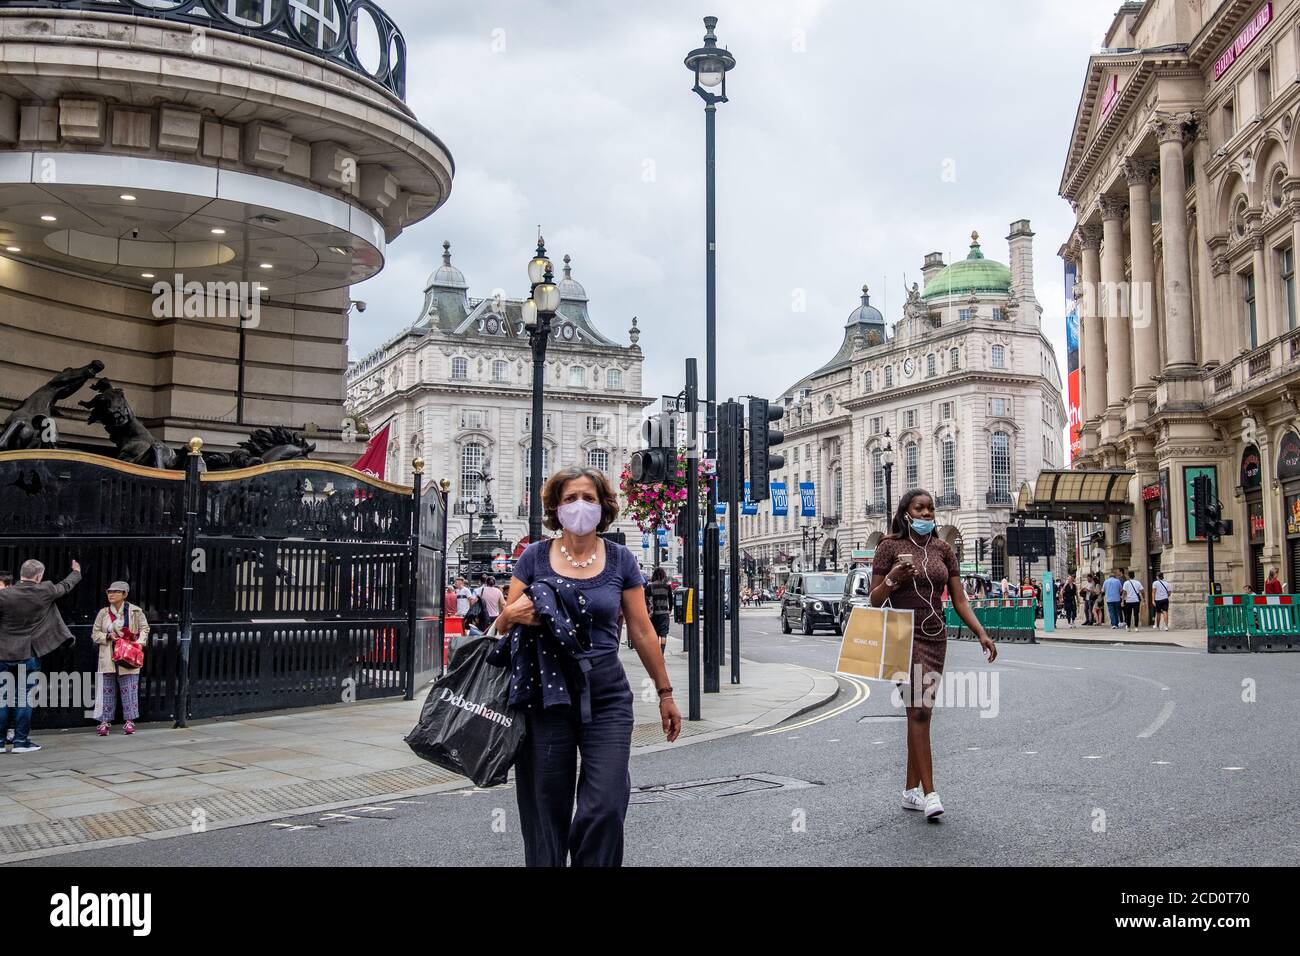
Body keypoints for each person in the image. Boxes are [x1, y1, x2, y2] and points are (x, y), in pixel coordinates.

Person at [496, 466, 681, 866]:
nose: (580, 505)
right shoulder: (533, 558)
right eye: (570, 499)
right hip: (545, 695)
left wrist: (665, 693)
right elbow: (504, 622)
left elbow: (643, 631)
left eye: (589, 498)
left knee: (606, 804)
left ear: (603, 506)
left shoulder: (620, 560)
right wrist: (517, 613)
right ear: (555, 507)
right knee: (546, 807)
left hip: (606, 694)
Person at [870, 489, 996, 822]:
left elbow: (960, 600)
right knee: (920, 712)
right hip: (901, 635)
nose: (927, 514)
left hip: (935, 636)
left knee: (920, 713)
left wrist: (981, 632)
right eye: (920, 509)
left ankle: (910, 790)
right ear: (906, 513)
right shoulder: (889, 547)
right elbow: (874, 599)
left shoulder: (943, 549)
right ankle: (930, 794)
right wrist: (895, 578)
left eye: (930, 509)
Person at [0, 558, 81, 754]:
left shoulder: (4, 595)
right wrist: (76, 572)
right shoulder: (45, 591)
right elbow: (65, 586)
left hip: (2, 653)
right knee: (24, 698)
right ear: (39, 576)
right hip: (28, 653)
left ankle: (0, 742)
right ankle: (20, 742)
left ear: (21, 574)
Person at [91, 581, 149, 735]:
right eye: (109, 591)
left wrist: (139, 642)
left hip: (128, 656)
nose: (111, 594)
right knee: (105, 690)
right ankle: (104, 723)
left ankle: (129, 722)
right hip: (108, 657)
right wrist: (108, 636)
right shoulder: (103, 613)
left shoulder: (135, 612)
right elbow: (95, 634)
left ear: (125, 594)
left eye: (116, 592)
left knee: (129, 689)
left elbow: (145, 629)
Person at [645, 567, 673, 656]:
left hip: (654, 614)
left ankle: (655, 654)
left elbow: (646, 600)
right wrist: (670, 610)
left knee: (655, 634)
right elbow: (671, 599)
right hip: (664, 613)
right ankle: (662, 653)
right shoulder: (667, 586)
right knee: (663, 634)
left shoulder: (650, 586)